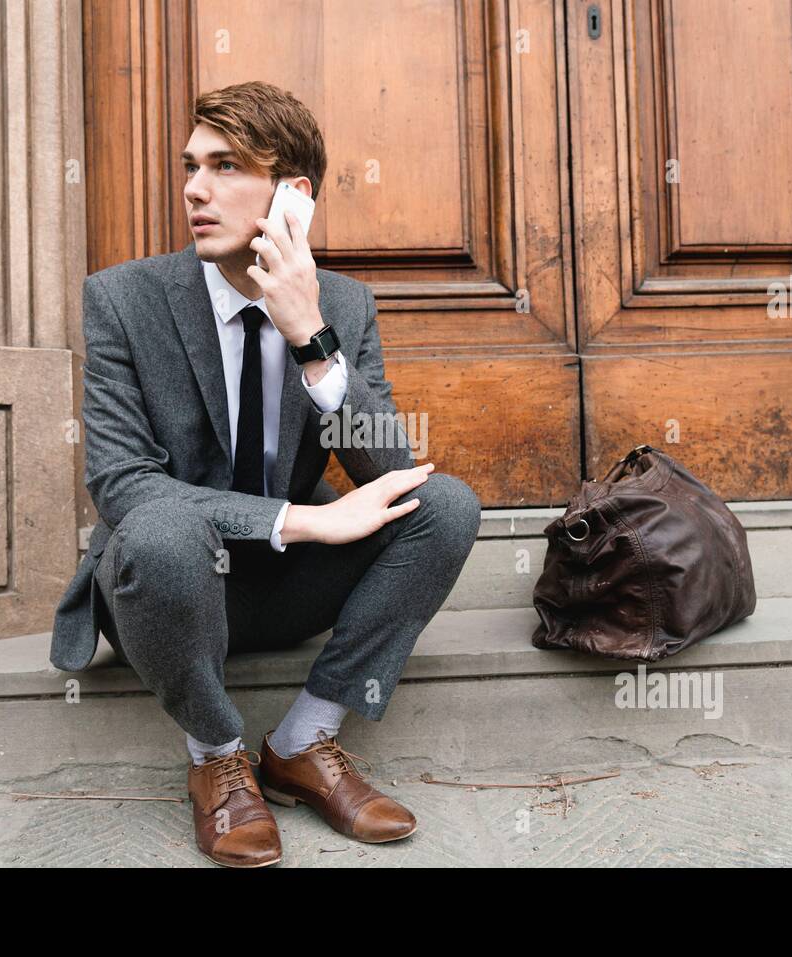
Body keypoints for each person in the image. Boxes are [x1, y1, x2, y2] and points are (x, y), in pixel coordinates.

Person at [50, 80, 481, 867]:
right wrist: (304, 519)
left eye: (224, 167)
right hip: (165, 585)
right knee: (163, 526)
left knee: (446, 506)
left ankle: (302, 741)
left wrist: (311, 337)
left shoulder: (342, 306)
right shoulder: (122, 299)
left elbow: (391, 469)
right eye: (190, 166)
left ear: (294, 196)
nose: (194, 188)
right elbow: (121, 483)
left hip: (282, 591)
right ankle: (217, 754)